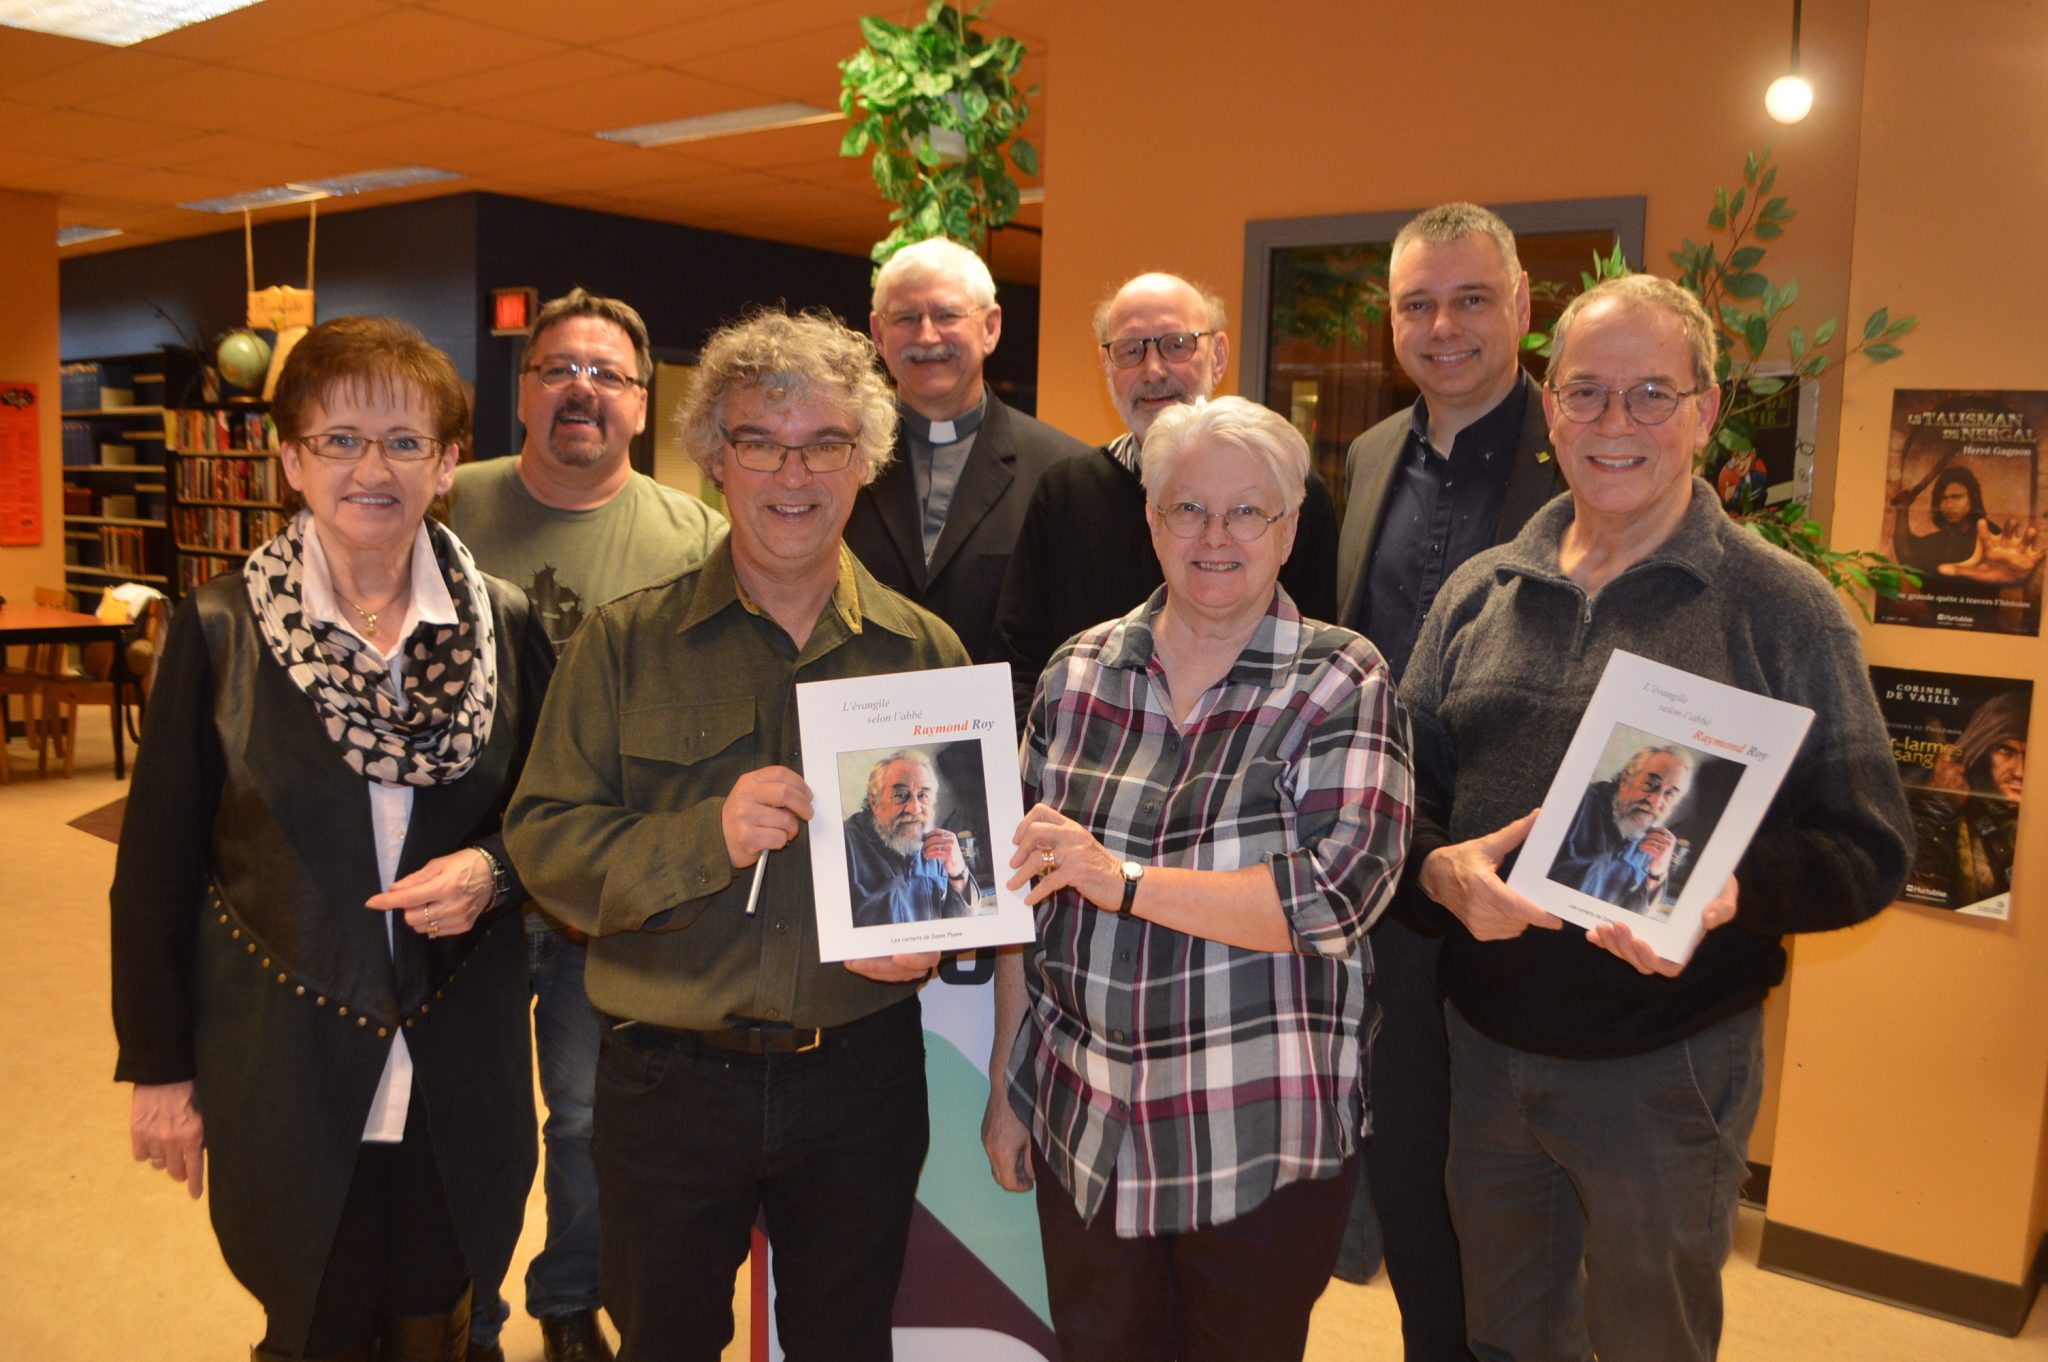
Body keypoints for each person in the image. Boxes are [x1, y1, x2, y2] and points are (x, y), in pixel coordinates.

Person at [1401, 273, 1911, 1362]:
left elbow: (1866, 845)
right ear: (1547, 408)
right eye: (1584, 393)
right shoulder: (1478, 593)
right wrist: (1436, 872)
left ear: (1702, 411)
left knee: (1649, 1342)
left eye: (1648, 395)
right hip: (1485, 1055)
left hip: (1663, 1069)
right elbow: (1402, 798)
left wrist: (1736, 890)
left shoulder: (1778, 608)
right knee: (1503, 1338)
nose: (1613, 424)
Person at [504, 308, 969, 1362]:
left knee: (845, 1343)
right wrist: (702, 836)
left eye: (825, 443)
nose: (791, 473)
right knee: (663, 1344)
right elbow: (545, 845)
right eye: (760, 441)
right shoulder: (624, 643)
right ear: (716, 460)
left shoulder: (923, 651)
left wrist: (939, 927)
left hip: (858, 1076)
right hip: (667, 1084)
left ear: (866, 463)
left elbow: (960, 852)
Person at [113, 316, 555, 1362]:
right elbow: (156, 872)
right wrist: (161, 1071)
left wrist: (495, 872)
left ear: (447, 464)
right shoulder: (219, 629)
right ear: (289, 460)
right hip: (285, 1050)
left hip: (458, 1054)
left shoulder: (505, 623)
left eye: (404, 442)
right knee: (314, 1317)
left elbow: (552, 820)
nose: (372, 469)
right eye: (339, 440)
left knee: (435, 1315)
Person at [982, 396, 1412, 1362]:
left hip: (1256, 1130)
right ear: (1150, 519)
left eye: (1247, 512)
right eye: (1187, 508)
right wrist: (1010, 1083)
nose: (1215, 537)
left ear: (1291, 528)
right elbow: (1029, 898)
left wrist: (1124, 878)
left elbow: (1333, 897)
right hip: (1084, 1123)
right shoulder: (1075, 673)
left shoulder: (1343, 679)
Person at [444, 287, 723, 1362]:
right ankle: (464, 1310)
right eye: (558, 367)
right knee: (465, 1116)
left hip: (597, 892)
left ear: (642, 406)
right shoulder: (443, 509)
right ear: (520, 389)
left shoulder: (691, 534)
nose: (580, 390)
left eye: (606, 375)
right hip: (462, 877)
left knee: (589, 1119)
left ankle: (570, 1300)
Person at [1330, 202, 1565, 1353]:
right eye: (1417, 303)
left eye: (1470, 298)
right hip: (1391, 888)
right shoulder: (1370, 456)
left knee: (1522, 1214)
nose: (1443, 325)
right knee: (1413, 1173)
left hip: (1522, 889)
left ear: (1521, 306)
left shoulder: (1579, 448)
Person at [991, 272, 1340, 724]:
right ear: (1106, 366)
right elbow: (1017, 666)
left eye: (1177, 344)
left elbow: (1313, 657)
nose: (1153, 370)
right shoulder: (1063, 494)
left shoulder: (1290, 496)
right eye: (1131, 349)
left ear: (1218, 356)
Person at [844, 237, 1092, 661]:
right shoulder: (836, 460)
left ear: (990, 327)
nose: (927, 335)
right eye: (905, 317)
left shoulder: (1062, 470)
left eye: (947, 315)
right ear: (878, 334)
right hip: (860, 719)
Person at [1906, 689, 2028, 910]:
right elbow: (1915, 895)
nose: (2019, 771)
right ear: (1983, 752)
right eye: (2005, 750)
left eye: (2027, 755)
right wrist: (1939, 808)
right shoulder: (1954, 806)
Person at [1549, 745, 1696, 918]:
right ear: (1625, 780)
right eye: (1651, 784)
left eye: (1670, 793)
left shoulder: (1656, 841)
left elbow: (1635, 917)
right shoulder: (1577, 801)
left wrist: (1657, 873)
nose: (1656, 801)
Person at [845, 749, 981, 927]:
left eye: (923, 795)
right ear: (874, 803)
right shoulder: (844, 845)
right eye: (901, 795)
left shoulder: (935, 844)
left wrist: (958, 873)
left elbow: (962, 929)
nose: (914, 808)